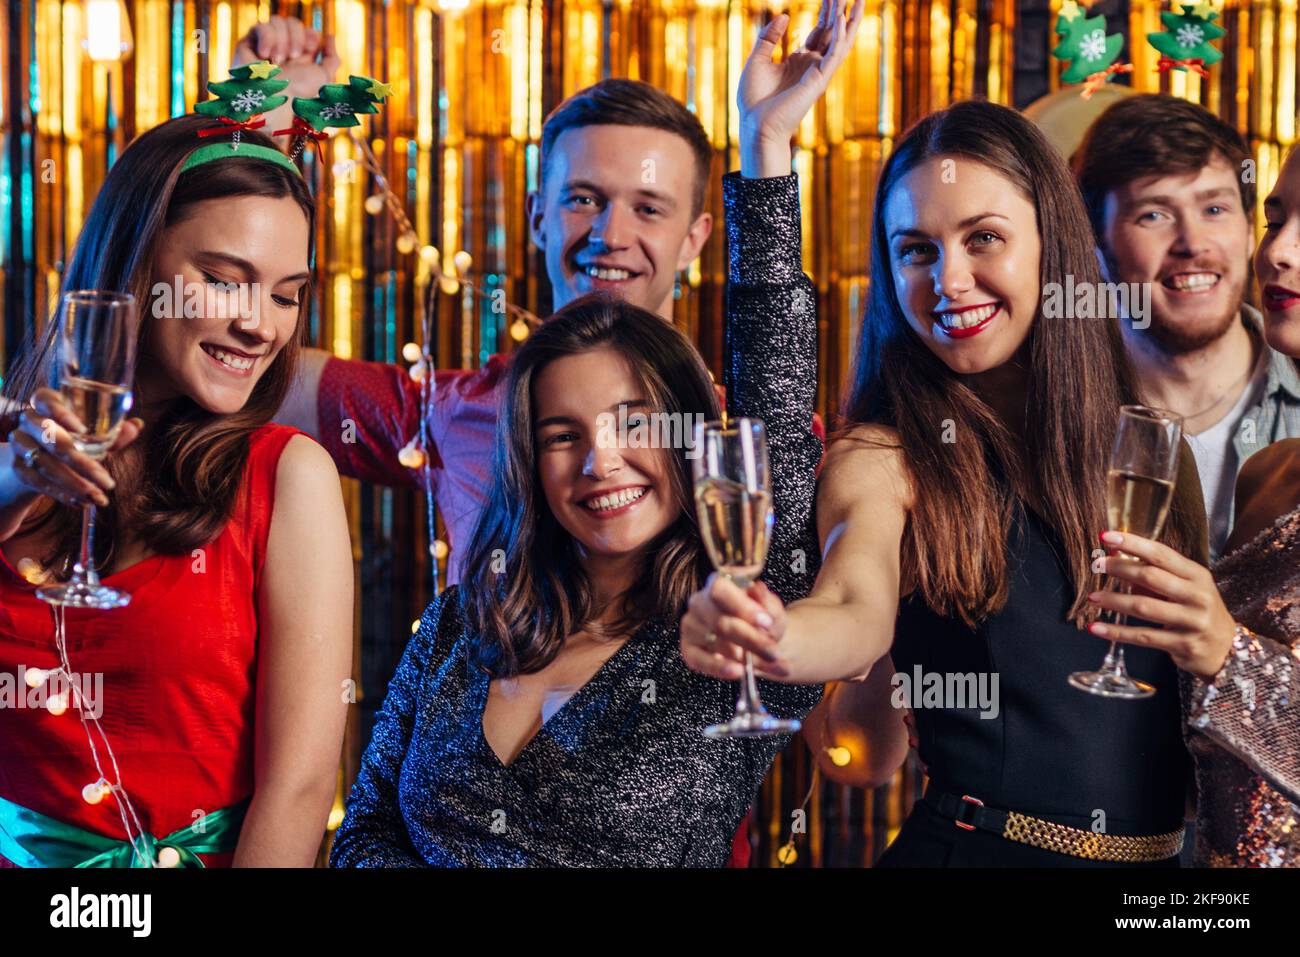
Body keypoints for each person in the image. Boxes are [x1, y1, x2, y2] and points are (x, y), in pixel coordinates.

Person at [328, 0, 865, 867]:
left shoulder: (731, 629)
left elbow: (776, 384)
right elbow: (366, 833)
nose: (598, 459)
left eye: (634, 424)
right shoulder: (462, 625)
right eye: (560, 435)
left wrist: (766, 149)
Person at [681, 97, 1212, 867]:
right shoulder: (885, 453)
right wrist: (773, 635)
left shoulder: (1147, 452)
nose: (950, 280)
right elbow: (852, 608)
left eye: (983, 238)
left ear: (1051, 245)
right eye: (916, 250)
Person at [232, 18, 718, 584]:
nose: (611, 234)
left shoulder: (748, 428)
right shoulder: (451, 410)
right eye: (583, 199)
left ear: (693, 239)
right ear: (537, 216)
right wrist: (257, 121)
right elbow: (240, 358)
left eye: (649, 208)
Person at [0, 115, 353, 867]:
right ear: (133, 266)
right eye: (224, 281)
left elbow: (296, 789)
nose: (259, 325)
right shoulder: (17, 458)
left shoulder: (289, 478)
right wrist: (10, 483)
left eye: (287, 295)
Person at [1086, 142, 1300, 866]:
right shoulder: (1266, 474)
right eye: (1276, 218)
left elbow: (1231, 673)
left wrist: (1224, 653)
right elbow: (1212, 755)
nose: (1280, 252)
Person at [1073, 94, 1300, 560]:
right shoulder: (1049, 408)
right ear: (1096, 245)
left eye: (1214, 209)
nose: (1192, 243)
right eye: (1153, 215)